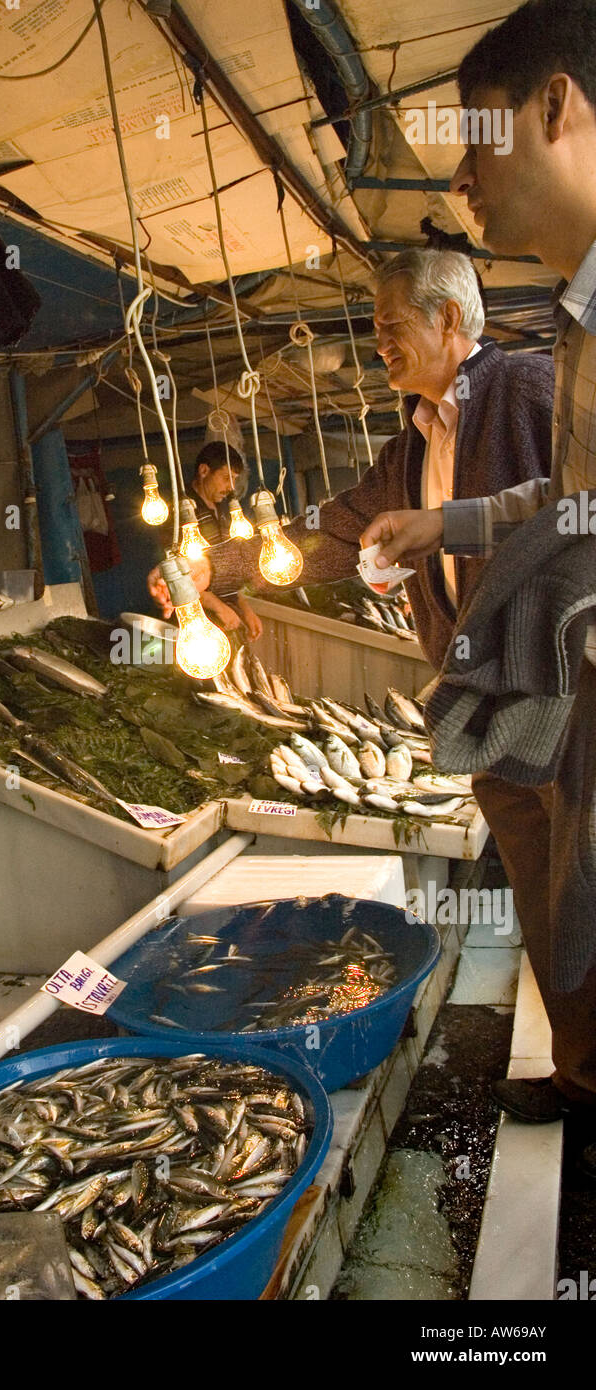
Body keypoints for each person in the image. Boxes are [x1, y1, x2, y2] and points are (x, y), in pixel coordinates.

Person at [359, 0, 596, 1166]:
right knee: (563, 908)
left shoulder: (535, 369)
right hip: (539, 699)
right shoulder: (579, 323)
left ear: (558, 108)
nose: (461, 182)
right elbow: (563, 504)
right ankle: (585, 1071)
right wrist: (433, 524)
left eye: (476, 143)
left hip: (553, 697)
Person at [150, 249, 553, 679]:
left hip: (563, 688)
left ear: (449, 318)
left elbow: (580, 510)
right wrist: (214, 567)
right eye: (377, 331)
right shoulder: (407, 450)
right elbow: (337, 532)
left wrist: (451, 524)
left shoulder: (531, 388)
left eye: (392, 326)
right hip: (474, 689)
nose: (379, 347)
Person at [188, 442, 262, 641]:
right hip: (197, 624)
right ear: (204, 471)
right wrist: (218, 607)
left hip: (226, 619)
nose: (231, 487)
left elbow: (228, 568)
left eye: (234, 479)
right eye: (226, 478)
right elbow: (179, 576)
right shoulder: (184, 512)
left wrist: (244, 609)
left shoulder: (226, 511)